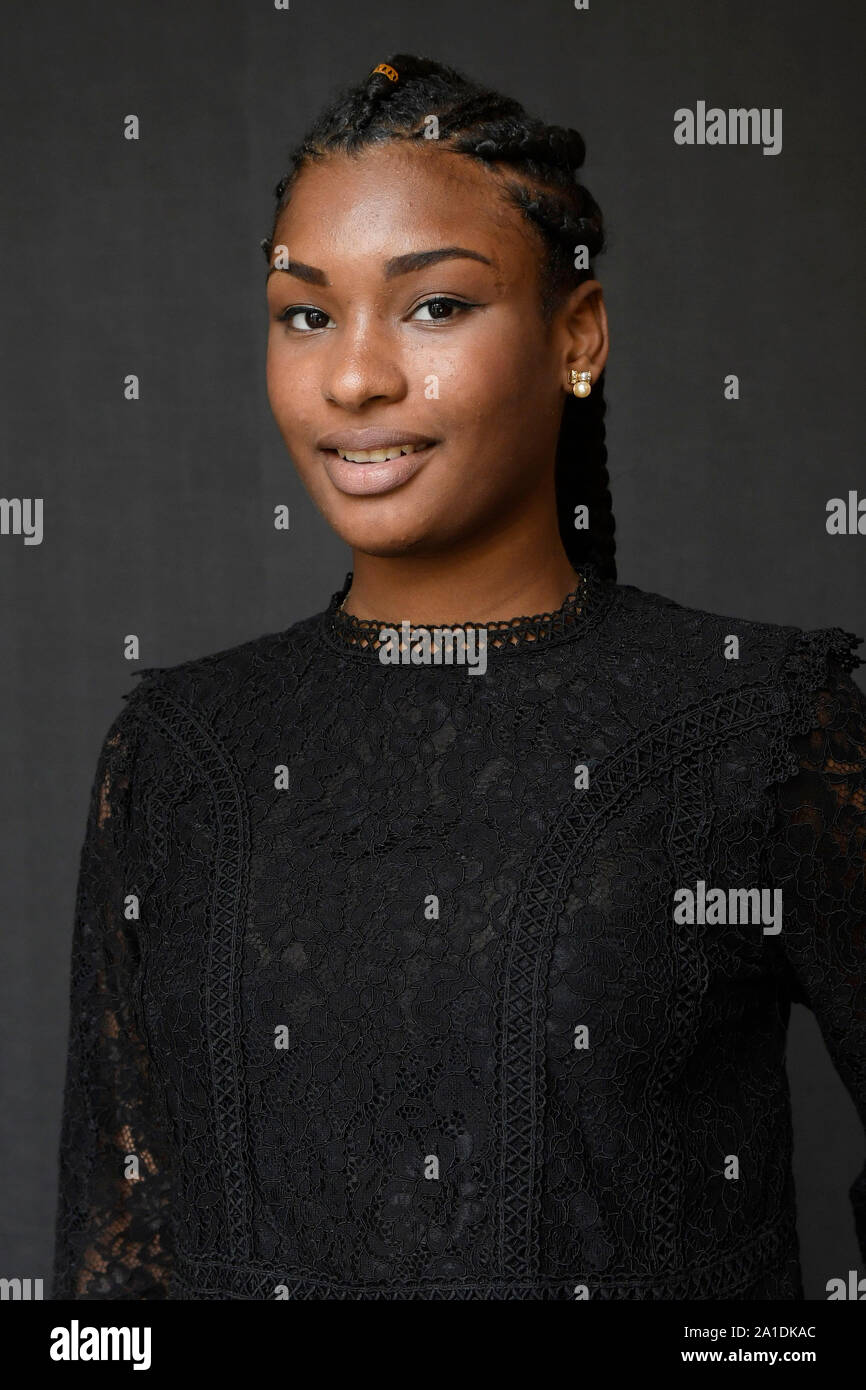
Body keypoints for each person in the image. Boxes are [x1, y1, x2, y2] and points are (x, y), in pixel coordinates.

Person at [52, 53, 866, 1300]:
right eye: (305, 313)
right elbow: (113, 1256)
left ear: (576, 336)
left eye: (433, 305)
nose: (355, 375)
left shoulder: (759, 725)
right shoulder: (178, 750)